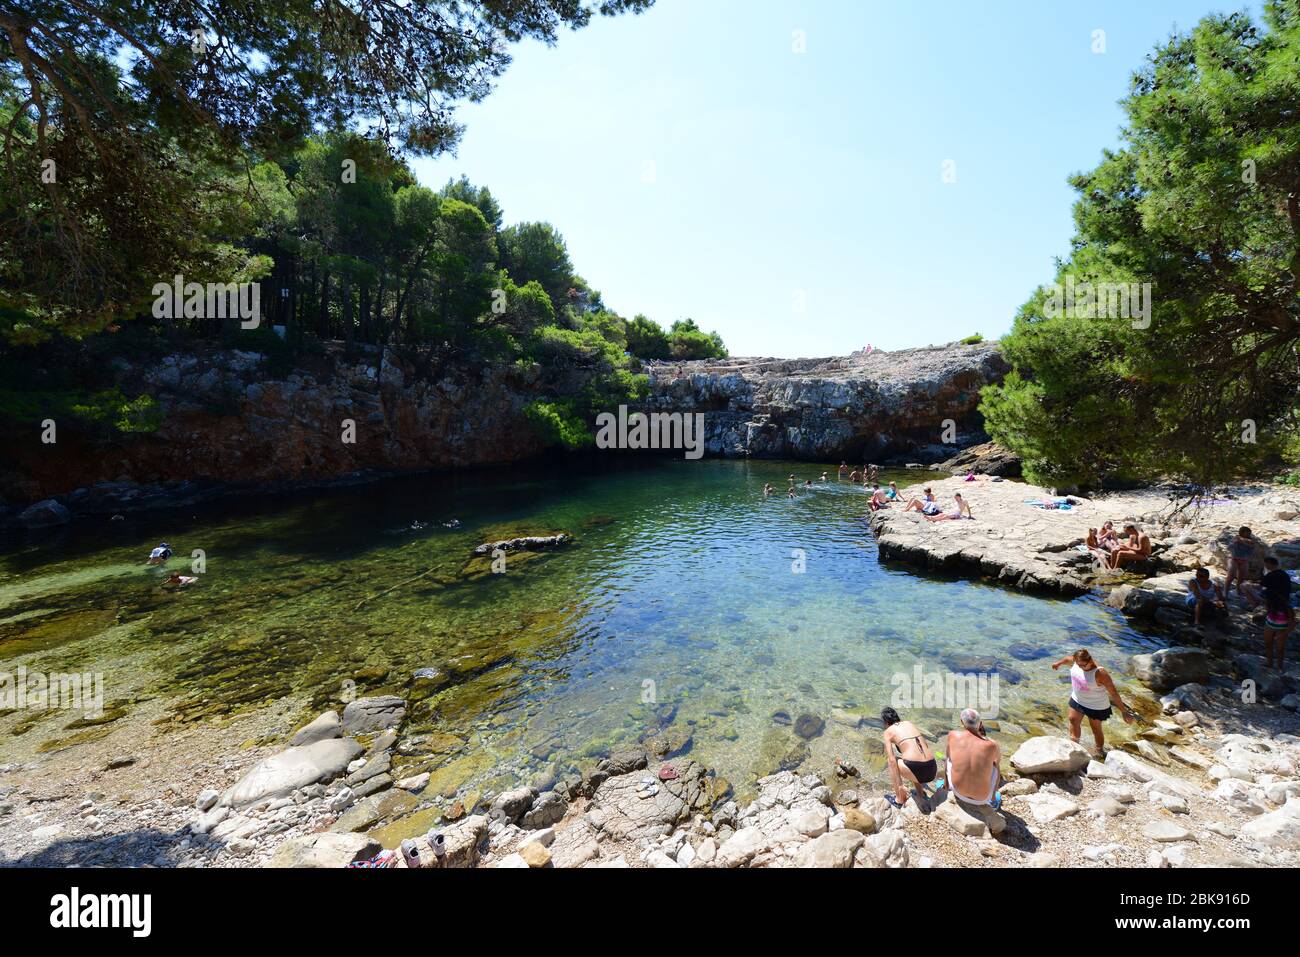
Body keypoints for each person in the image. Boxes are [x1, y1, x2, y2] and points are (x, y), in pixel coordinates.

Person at [1051, 649, 1135, 754]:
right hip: (1077, 699)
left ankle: (1099, 751)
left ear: (1090, 661)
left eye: (1083, 665)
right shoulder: (1077, 661)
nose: (1081, 667)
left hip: (1096, 705)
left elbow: (1113, 693)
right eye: (1078, 665)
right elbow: (1068, 659)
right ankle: (1074, 746)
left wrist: (1124, 711)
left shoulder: (1100, 673)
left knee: (1095, 729)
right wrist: (1058, 663)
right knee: (1073, 720)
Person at [940, 709, 1002, 808]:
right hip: (982, 798)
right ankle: (993, 798)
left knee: (948, 757)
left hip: (958, 791)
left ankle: (946, 785)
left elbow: (949, 757)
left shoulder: (953, 735)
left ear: (961, 722)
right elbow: (997, 762)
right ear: (980, 723)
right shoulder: (992, 745)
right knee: (996, 766)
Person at [1243, 556, 1295, 668]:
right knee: (1269, 644)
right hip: (1271, 621)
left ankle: (1278, 666)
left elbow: (1292, 622)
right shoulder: (1284, 577)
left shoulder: (1284, 606)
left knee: (1277, 647)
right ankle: (1270, 663)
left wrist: (1284, 634)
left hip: (1279, 624)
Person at [881, 707, 937, 808]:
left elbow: (892, 760)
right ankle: (920, 793)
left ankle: (899, 799)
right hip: (932, 768)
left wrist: (900, 785)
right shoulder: (909, 723)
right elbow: (925, 745)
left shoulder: (888, 732)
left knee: (892, 761)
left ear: (885, 722)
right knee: (910, 760)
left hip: (917, 770)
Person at [1225, 527, 1255, 597]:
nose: (1249, 534)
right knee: (1231, 576)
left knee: (1241, 578)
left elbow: (1252, 546)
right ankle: (1225, 592)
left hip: (1244, 559)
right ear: (1242, 532)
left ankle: (1239, 592)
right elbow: (1229, 547)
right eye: (1247, 532)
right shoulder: (1235, 538)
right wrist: (1239, 541)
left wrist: (1243, 541)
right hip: (1233, 559)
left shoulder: (1250, 540)